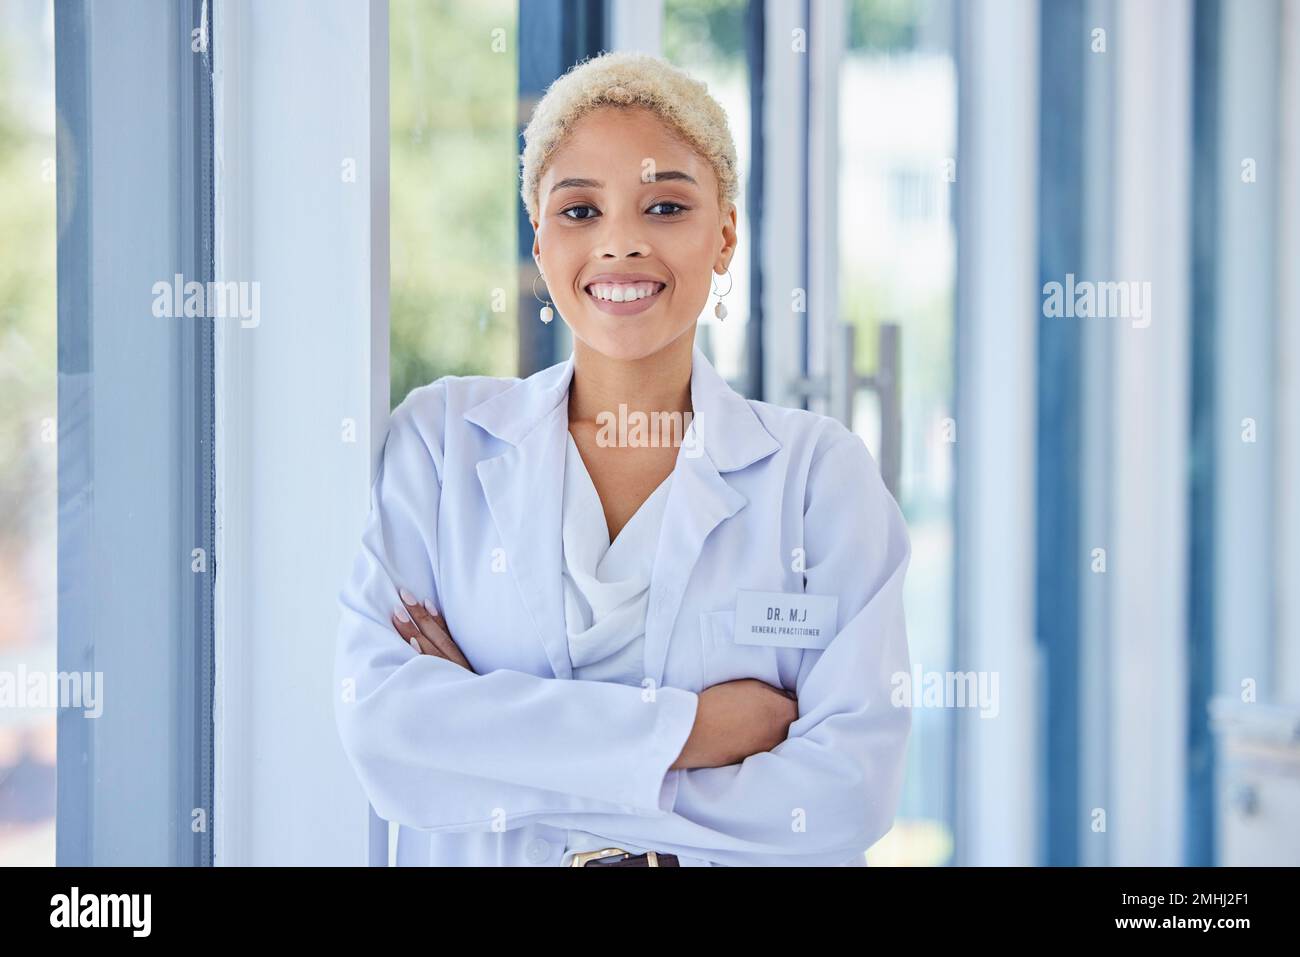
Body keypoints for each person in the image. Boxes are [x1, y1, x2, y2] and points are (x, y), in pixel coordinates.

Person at [333, 50, 912, 867]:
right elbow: (384, 729)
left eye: (665, 206)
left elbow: (847, 791)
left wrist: (492, 748)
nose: (621, 244)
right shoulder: (440, 444)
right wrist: (693, 732)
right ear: (539, 241)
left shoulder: (818, 479)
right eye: (580, 211)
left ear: (725, 235)